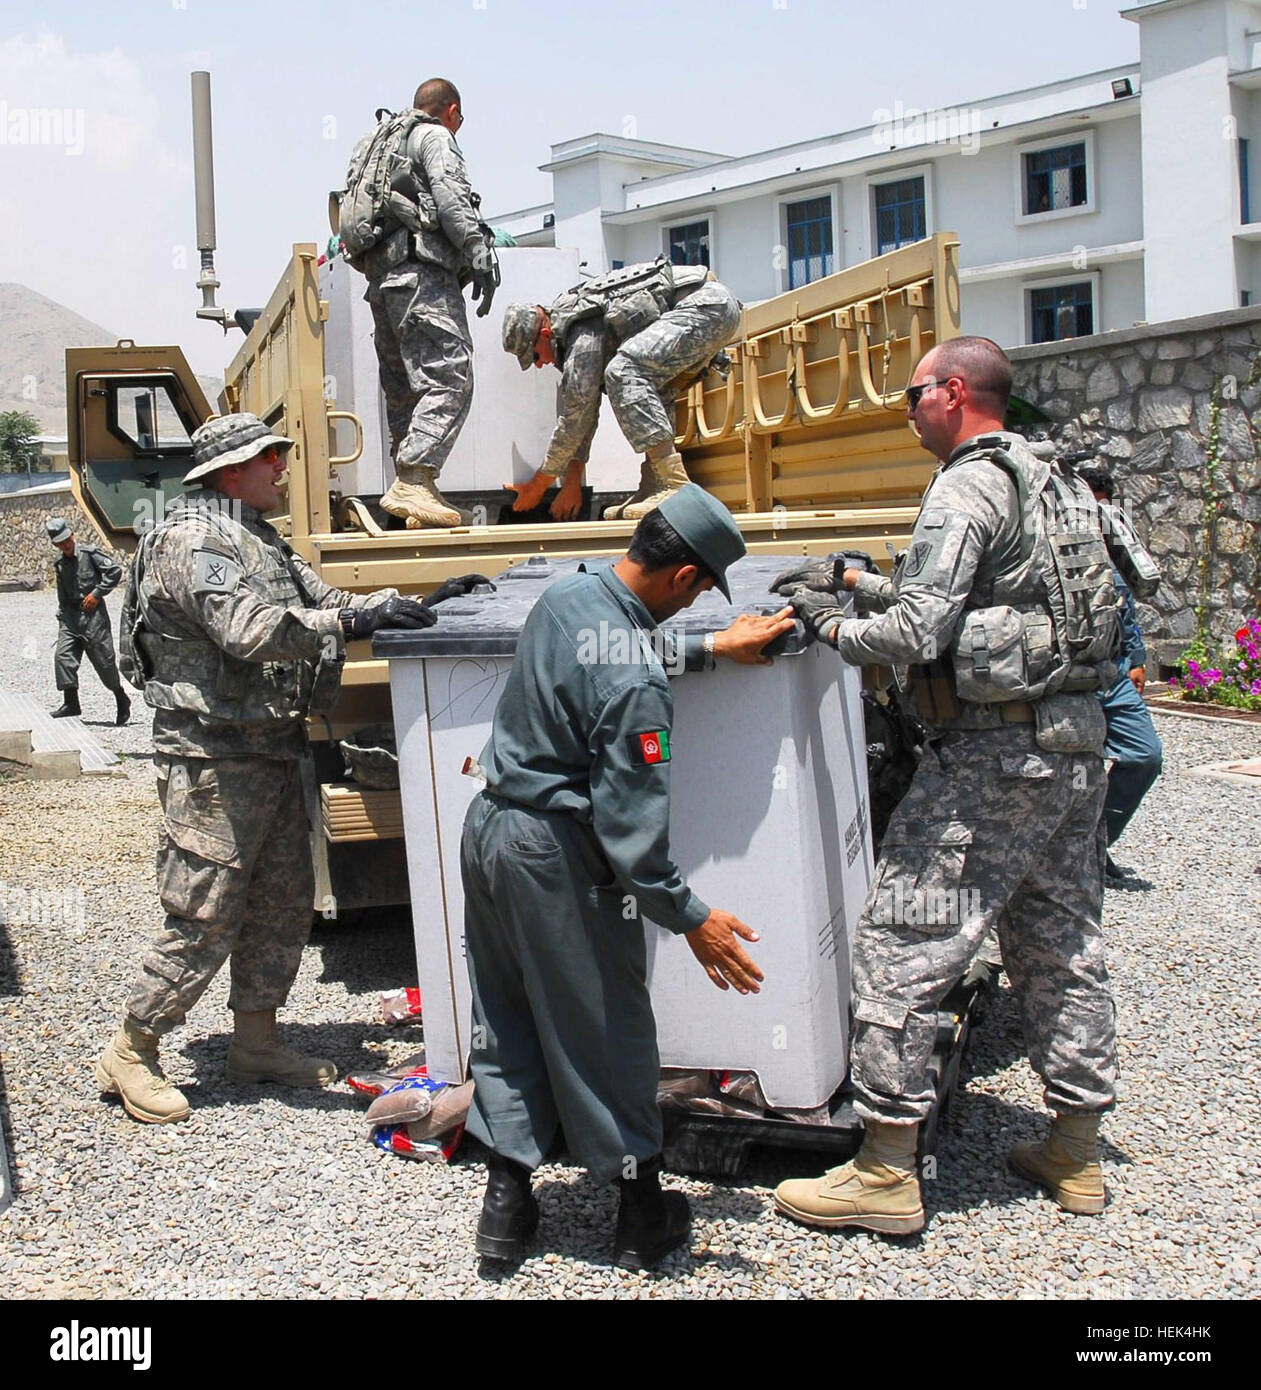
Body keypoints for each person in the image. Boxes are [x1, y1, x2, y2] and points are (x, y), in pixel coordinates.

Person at [773, 337, 1120, 1234]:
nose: (906, 408)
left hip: (990, 765)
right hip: (1074, 752)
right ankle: (1075, 1153)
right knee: (1059, 942)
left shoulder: (967, 481)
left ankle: (884, 1171)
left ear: (953, 392)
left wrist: (823, 623)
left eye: (912, 393)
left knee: (902, 942)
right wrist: (860, 583)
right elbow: (995, 601)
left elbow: (922, 632)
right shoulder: (1056, 476)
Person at [95, 412, 473, 1124]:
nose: (281, 469)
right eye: (271, 458)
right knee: (204, 911)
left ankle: (256, 1043)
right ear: (230, 470)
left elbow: (322, 603)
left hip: (270, 745)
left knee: (281, 901)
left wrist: (406, 606)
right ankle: (132, 1047)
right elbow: (249, 632)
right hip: (213, 759)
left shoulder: (254, 536)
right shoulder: (193, 539)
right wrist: (350, 626)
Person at [461, 484, 794, 1268]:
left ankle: (506, 1209)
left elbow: (605, 653)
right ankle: (642, 1212)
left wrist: (711, 647)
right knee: (606, 1028)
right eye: (703, 595)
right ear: (685, 580)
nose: (698, 607)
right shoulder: (637, 690)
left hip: (489, 835)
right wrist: (690, 917)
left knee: (504, 1013)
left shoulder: (567, 593)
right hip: (557, 859)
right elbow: (630, 831)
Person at [353, 78, 496, 529]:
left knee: (407, 388)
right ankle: (415, 479)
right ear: (451, 110)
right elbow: (452, 200)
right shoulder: (435, 136)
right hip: (422, 275)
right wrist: (478, 250)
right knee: (452, 375)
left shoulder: (380, 142)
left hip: (384, 282)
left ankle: (414, 491)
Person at [499, 259, 741, 522]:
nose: (540, 363)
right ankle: (655, 482)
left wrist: (539, 484)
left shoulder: (579, 333)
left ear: (544, 333)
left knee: (624, 370)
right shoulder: (572, 327)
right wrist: (570, 480)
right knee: (652, 387)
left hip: (706, 306)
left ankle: (674, 484)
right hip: (708, 308)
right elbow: (585, 415)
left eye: (534, 356)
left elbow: (577, 415)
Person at [1076, 463, 1163, 881]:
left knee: (1145, 756)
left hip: (1115, 673)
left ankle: (1097, 841)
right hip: (1073, 677)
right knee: (1080, 773)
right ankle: (1079, 855)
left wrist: (1138, 657)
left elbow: (1125, 598)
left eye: (1104, 511)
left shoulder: (1113, 539)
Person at [45, 518, 130, 725]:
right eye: (60, 543)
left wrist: (97, 593)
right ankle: (71, 704)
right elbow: (62, 594)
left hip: (93, 618)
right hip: (70, 619)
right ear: (55, 544)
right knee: (63, 658)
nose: (65, 545)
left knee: (104, 663)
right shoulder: (60, 564)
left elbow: (114, 571)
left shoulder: (89, 554)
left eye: (67, 539)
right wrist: (62, 617)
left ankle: (121, 697)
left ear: (72, 535)